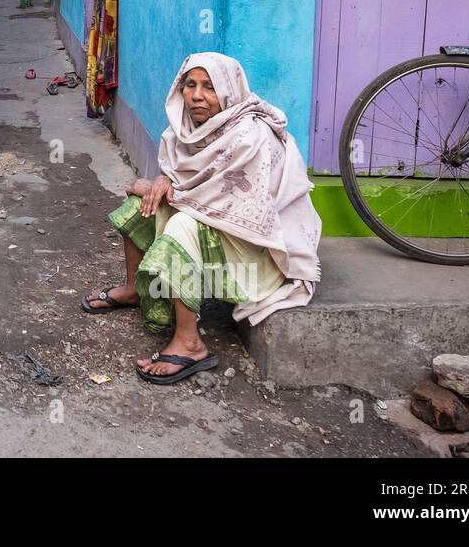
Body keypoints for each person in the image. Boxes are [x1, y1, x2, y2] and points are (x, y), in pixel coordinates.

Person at [80, 53, 322, 385]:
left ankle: (191, 343)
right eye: (190, 85)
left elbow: (236, 208)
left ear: (227, 90)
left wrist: (164, 187)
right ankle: (137, 289)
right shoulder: (187, 128)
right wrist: (160, 184)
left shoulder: (250, 136)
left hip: (256, 247)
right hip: (219, 225)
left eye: (209, 86)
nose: (196, 95)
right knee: (142, 204)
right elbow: (187, 183)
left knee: (182, 225)